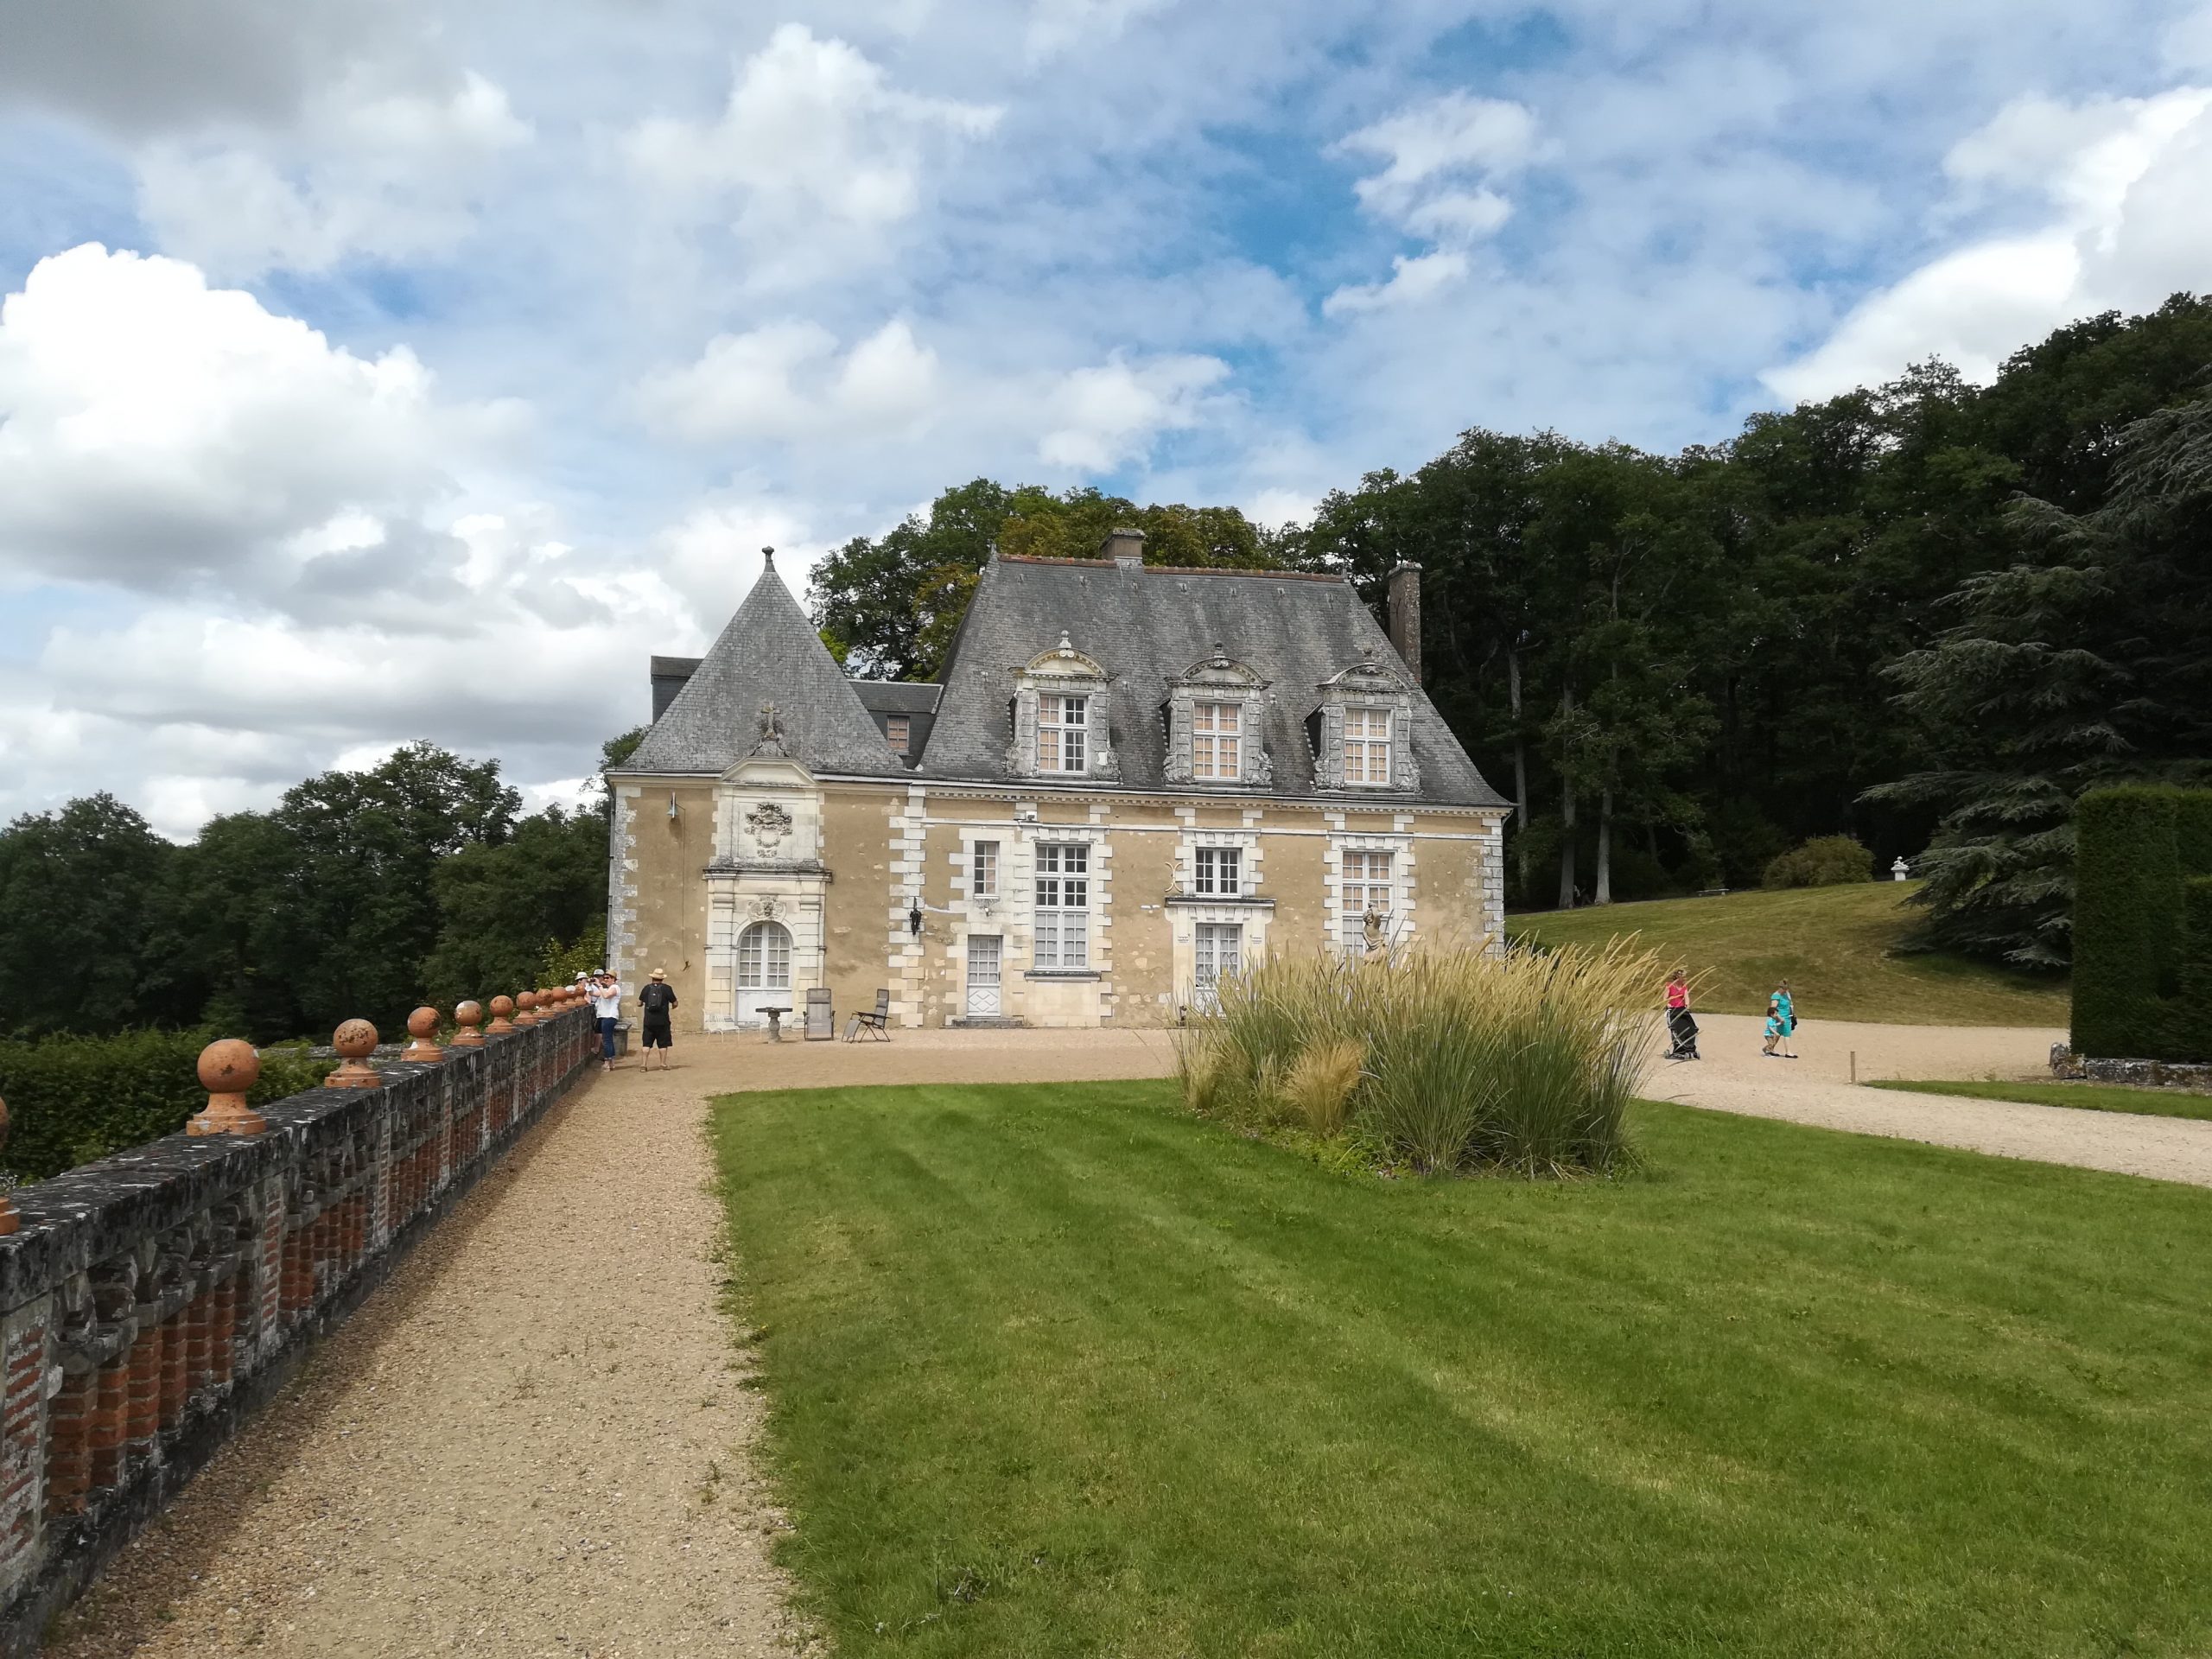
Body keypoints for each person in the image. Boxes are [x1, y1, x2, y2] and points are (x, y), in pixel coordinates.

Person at [638, 969, 677, 1069]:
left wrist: (643, 1003)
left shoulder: (646, 988)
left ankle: (643, 1065)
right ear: (662, 979)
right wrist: (672, 1007)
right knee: (663, 1044)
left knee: (646, 1044)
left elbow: (639, 1003)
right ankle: (663, 1064)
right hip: (662, 1021)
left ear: (652, 977)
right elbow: (675, 1002)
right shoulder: (667, 988)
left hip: (649, 1021)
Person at [589, 969, 622, 1071]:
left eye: (608, 978)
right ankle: (611, 1062)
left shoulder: (615, 987)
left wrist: (599, 985)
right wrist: (589, 984)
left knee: (606, 1040)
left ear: (613, 979)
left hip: (609, 1016)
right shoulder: (606, 989)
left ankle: (607, 1063)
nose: (605, 979)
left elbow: (606, 996)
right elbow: (592, 994)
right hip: (605, 1016)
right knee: (609, 1040)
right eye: (605, 978)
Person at [1663, 969, 1699, 1061]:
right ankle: (1678, 1048)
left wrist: (1687, 1004)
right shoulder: (1669, 986)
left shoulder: (1684, 987)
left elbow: (1686, 997)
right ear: (1678, 977)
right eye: (1683, 977)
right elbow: (1665, 998)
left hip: (1682, 1010)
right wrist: (1668, 1004)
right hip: (1673, 1010)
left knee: (1690, 1027)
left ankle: (1689, 1046)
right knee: (1676, 1028)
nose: (1685, 979)